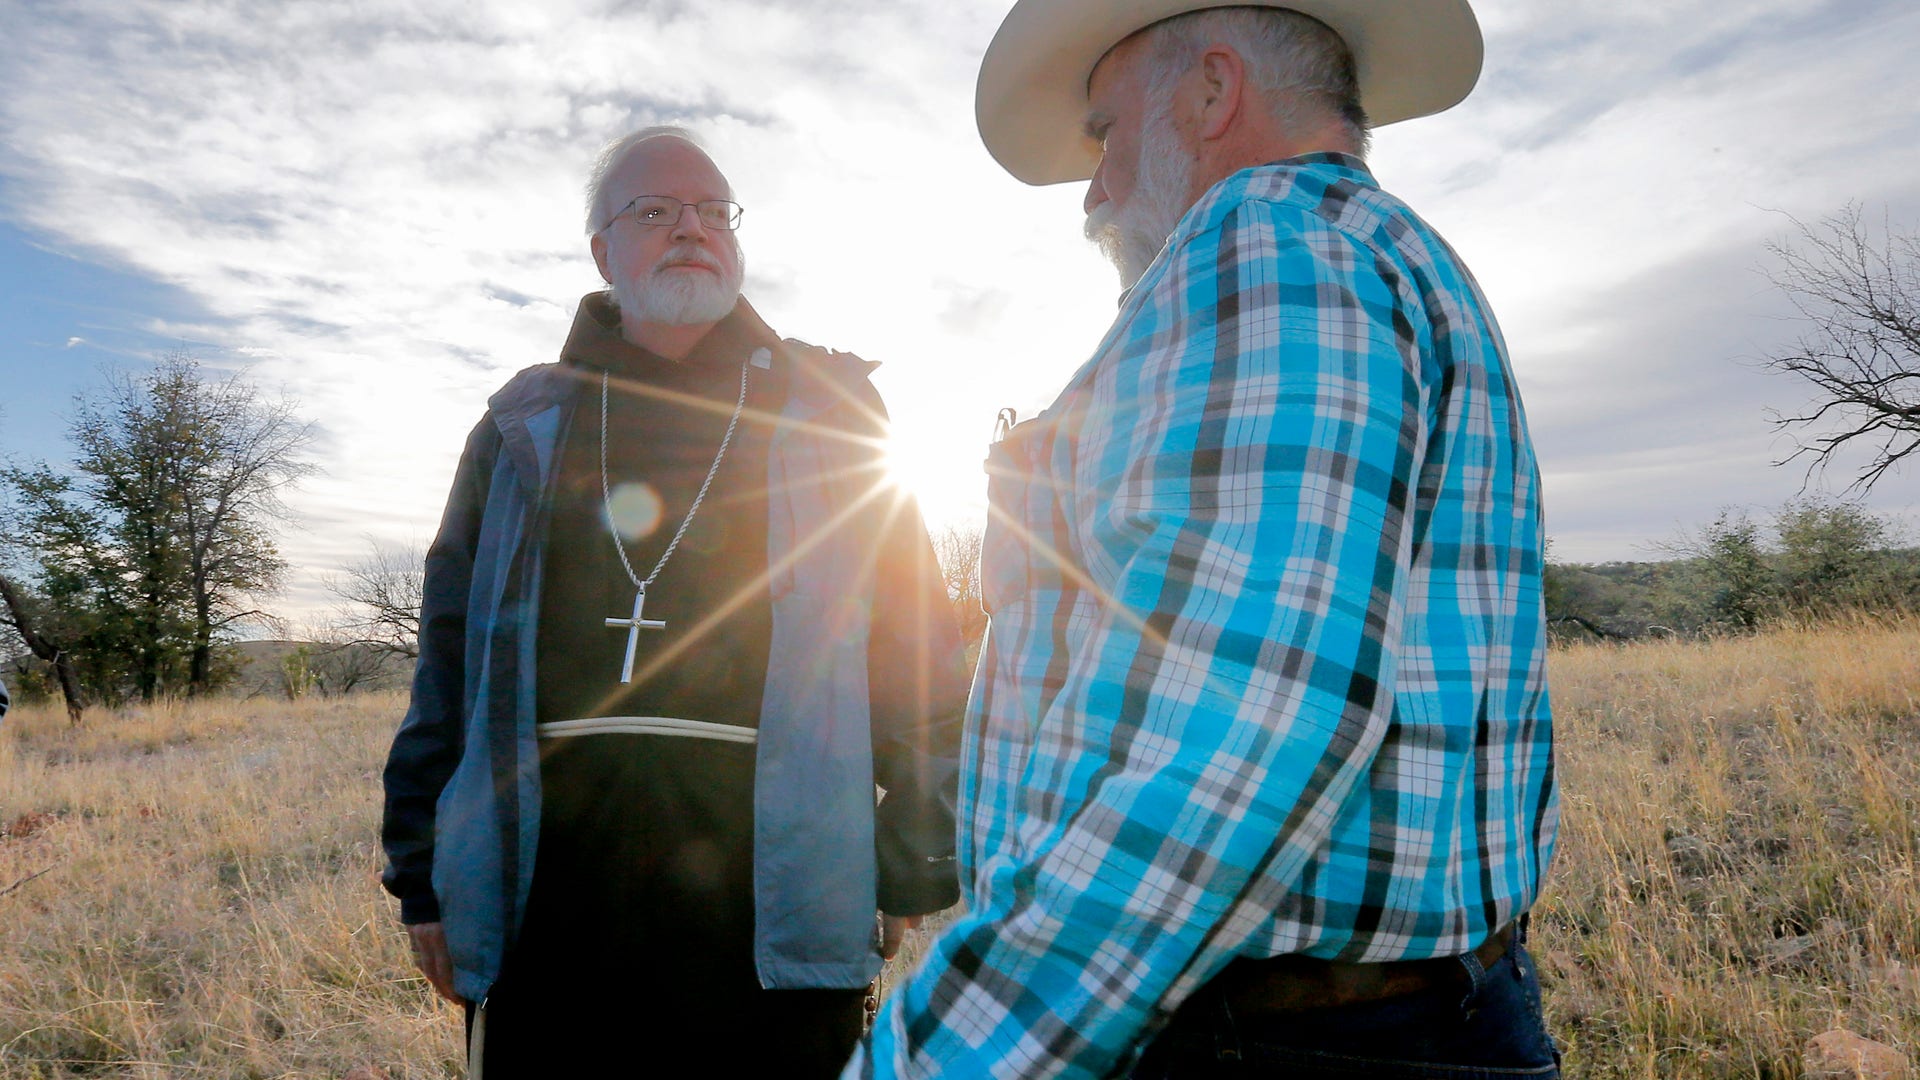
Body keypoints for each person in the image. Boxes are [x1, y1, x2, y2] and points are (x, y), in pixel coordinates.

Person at [850, 2, 1559, 1077]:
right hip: (1409, 1017)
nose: (1092, 190)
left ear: (1214, 92)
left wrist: (945, 1059)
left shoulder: (1263, 236)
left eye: (1103, 133)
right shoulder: (1392, 254)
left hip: (1275, 1036)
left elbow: (1251, 720)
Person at [380, 126, 968, 1076]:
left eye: (713, 212)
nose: (692, 230)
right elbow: (448, 658)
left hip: (771, 889)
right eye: (655, 212)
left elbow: (915, 637)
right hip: (555, 887)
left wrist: (914, 847)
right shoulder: (523, 425)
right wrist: (421, 879)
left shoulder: (831, 407)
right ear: (602, 253)